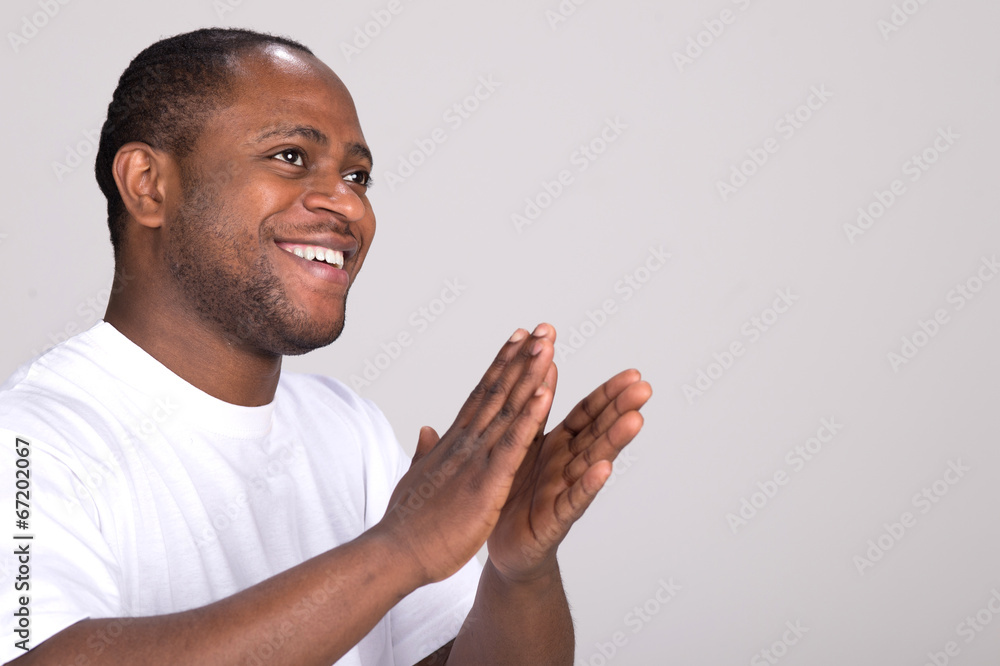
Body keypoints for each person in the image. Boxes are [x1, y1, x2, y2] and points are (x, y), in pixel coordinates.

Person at [0, 27, 652, 665]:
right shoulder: (29, 439)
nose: (348, 204)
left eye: (359, 175)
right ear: (148, 184)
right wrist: (398, 550)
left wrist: (517, 577)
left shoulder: (348, 429)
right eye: (290, 157)